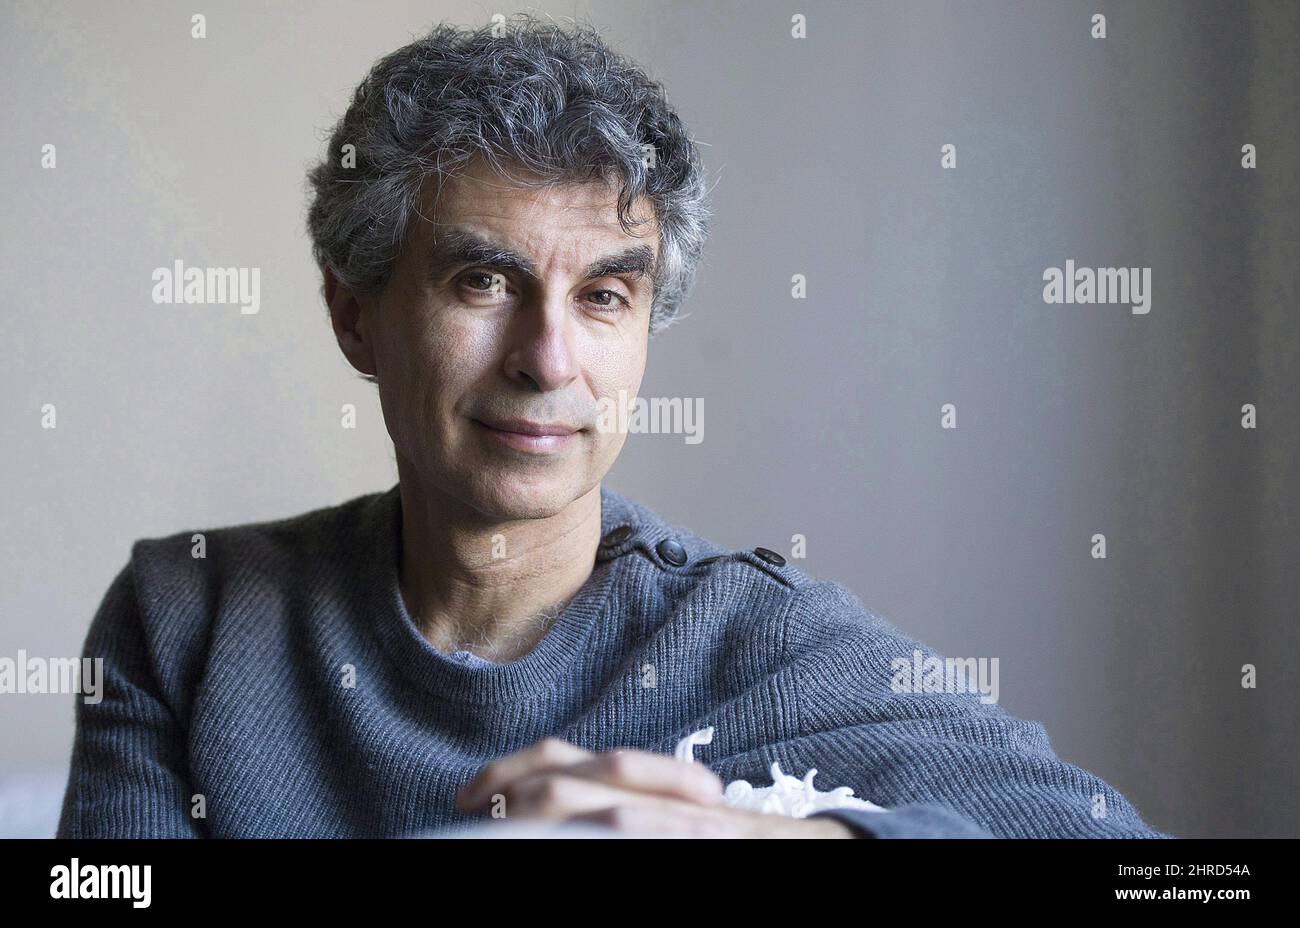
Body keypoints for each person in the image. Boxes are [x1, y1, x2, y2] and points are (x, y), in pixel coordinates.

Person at [57, 15, 1169, 839]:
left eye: (603, 295)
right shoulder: (188, 617)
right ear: (356, 314)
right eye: (483, 281)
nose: (549, 359)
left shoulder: (760, 641)